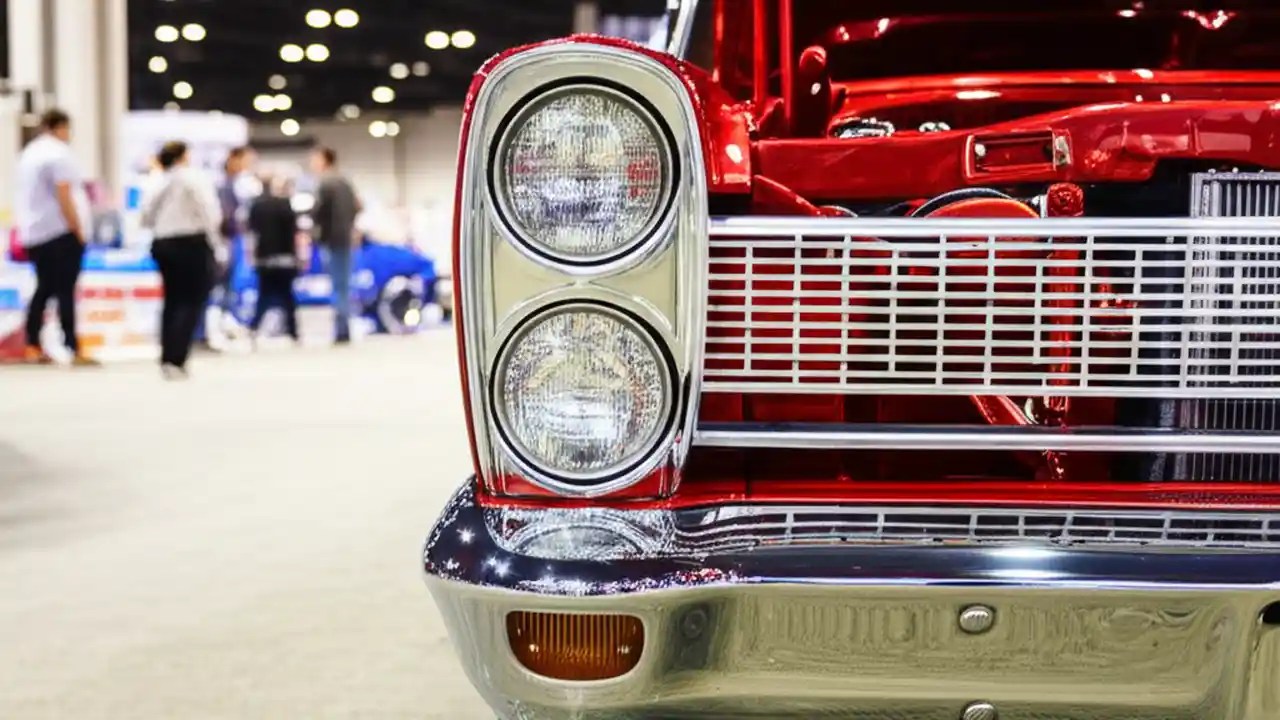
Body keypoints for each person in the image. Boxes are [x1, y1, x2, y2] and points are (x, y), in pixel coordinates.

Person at [15, 109, 97, 366]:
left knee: (44, 288)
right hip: (59, 231)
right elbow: (64, 194)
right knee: (64, 290)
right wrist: (77, 228)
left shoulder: (29, 153)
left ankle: (32, 343)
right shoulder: (59, 154)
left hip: (35, 232)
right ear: (60, 127)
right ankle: (72, 344)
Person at [140, 141, 222, 379]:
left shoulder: (156, 181)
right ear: (182, 157)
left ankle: (166, 356)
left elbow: (144, 216)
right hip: (191, 242)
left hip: (163, 243)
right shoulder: (192, 178)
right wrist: (216, 242)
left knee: (171, 300)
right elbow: (210, 212)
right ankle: (179, 356)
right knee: (191, 301)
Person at [309, 146, 361, 344]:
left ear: (325, 160)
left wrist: (318, 234)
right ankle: (344, 329)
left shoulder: (325, 183)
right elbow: (357, 207)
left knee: (338, 287)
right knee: (344, 286)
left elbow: (318, 212)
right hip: (345, 239)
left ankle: (340, 331)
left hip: (331, 240)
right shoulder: (345, 182)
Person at [247, 175, 301, 344]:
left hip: (264, 258)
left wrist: (252, 256)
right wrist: (298, 257)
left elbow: (252, 234)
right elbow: (294, 234)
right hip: (285, 258)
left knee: (263, 295)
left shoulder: (257, 207)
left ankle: (254, 328)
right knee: (287, 297)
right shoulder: (287, 207)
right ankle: (293, 332)